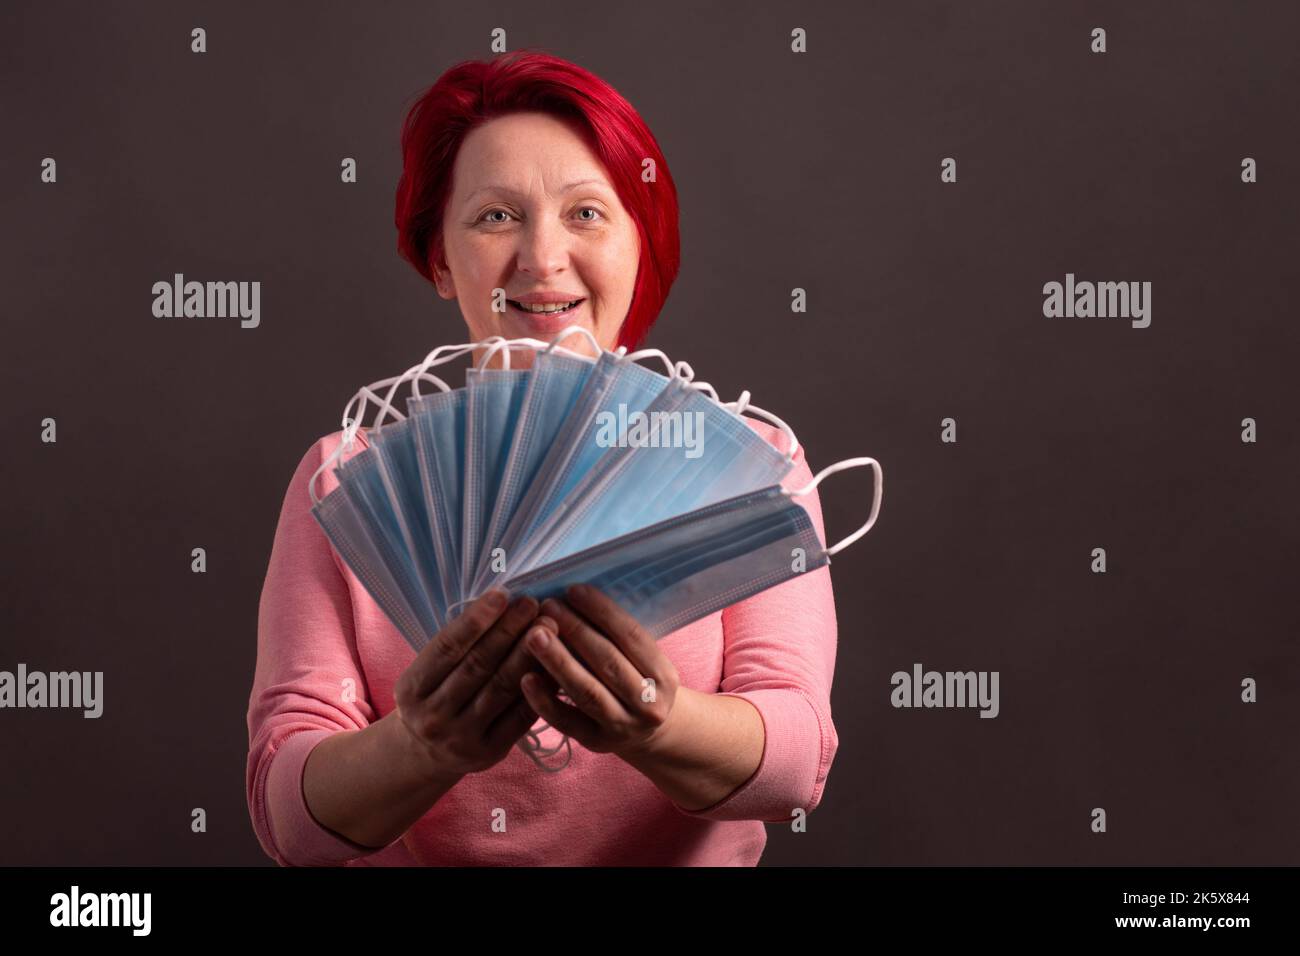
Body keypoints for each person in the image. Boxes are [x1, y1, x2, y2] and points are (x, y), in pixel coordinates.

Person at [245, 49, 839, 866]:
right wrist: (424, 746)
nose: (542, 258)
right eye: (495, 216)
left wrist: (659, 723)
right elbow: (290, 817)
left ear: (641, 244)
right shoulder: (344, 478)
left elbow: (797, 766)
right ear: (440, 261)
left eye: (586, 213)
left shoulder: (750, 463)